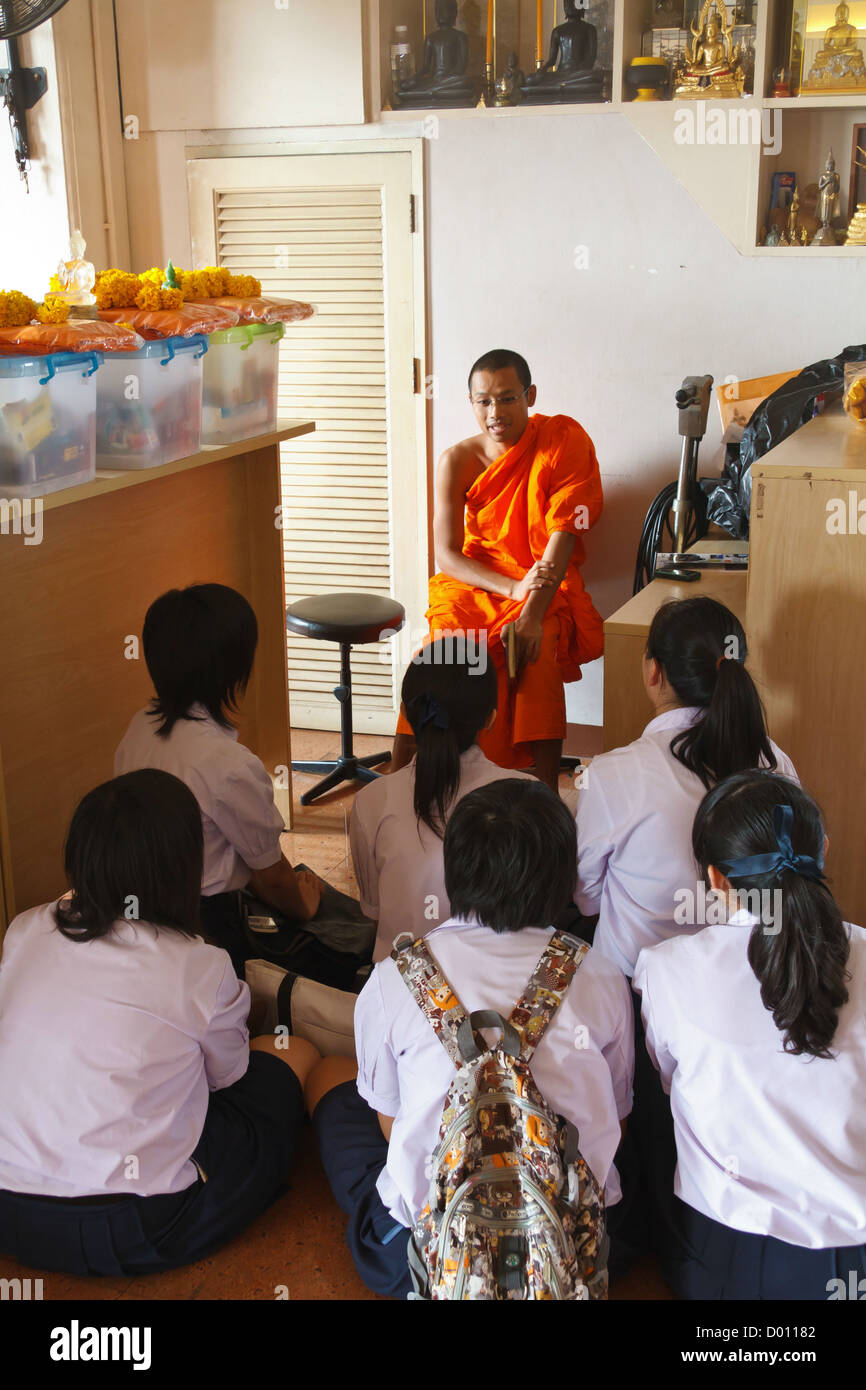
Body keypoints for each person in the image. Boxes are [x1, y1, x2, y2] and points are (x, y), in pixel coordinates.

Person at [306, 778, 634, 1298]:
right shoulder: (599, 975)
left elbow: (391, 1124)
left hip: (433, 1261)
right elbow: (614, 1113)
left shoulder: (397, 978)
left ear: (452, 872)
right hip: (566, 1256)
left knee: (337, 1096)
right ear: (562, 878)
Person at [0, 770, 319, 1277]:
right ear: (182, 865)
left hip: (11, 1214)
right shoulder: (197, 964)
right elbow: (228, 1080)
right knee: (289, 1056)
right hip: (139, 1225)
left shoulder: (24, 929)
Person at [633, 771, 866, 1300]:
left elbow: (668, 1088)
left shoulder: (664, 970)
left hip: (727, 1258)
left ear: (715, 879)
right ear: (823, 851)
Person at [392, 349, 604, 790]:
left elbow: (564, 534)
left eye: (507, 399)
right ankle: (402, 781)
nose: (495, 413)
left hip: (542, 580)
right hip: (478, 581)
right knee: (443, 652)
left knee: (537, 649)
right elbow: (447, 555)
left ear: (529, 396)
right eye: (483, 401)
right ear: (470, 402)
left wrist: (529, 611)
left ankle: (542, 793)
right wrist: (512, 589)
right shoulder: (457, 460)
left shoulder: (562, 439)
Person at [576, 596, 797, 978]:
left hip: (638, 991)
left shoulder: (614, 774)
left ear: (654, 672)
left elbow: (586, 900)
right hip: (752, 981)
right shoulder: (775, 762)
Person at [114, 584, 321, 973]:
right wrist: (304, 905)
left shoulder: (138, 728)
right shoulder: (228, 765)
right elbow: (271, 876)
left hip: (139, 906)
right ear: (232, 670)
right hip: (206, 923)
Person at [350, 635, 535, 962]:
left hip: (397, 993)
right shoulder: (530, 798)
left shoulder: (370, 801)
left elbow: (374, 910)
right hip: (496, 993)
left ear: (406, 714)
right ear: (491, 719)